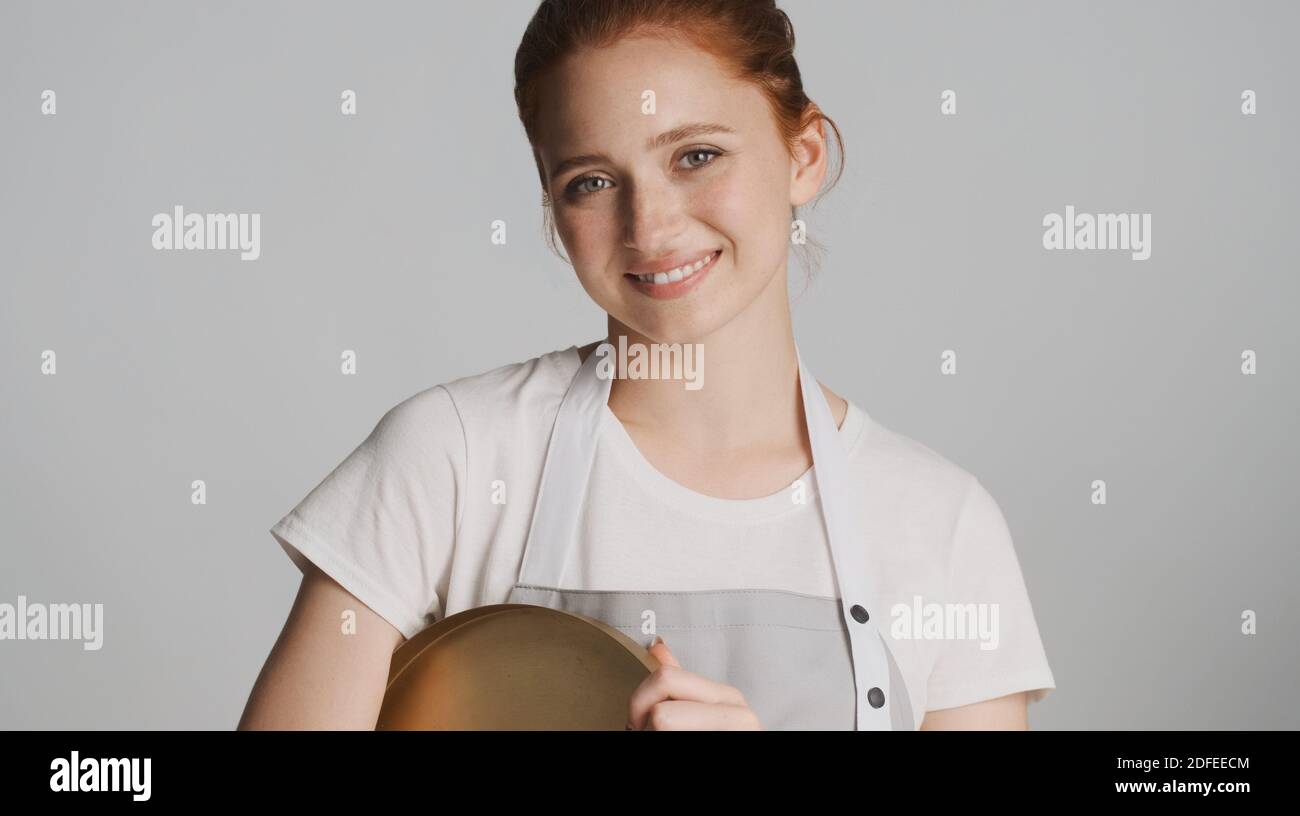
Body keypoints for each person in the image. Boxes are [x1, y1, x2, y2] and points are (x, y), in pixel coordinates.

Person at [238, 0, 1055, 731]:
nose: (650, 226)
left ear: (804, 155)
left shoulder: (940, 524)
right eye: (591, 181)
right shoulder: (450, 459)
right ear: (552, 206)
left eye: (696, 155)